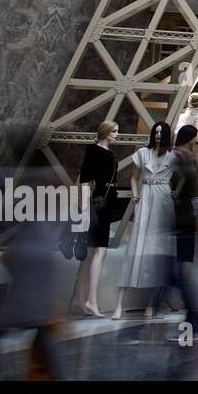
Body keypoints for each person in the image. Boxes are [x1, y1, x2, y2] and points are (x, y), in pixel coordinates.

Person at [113, 121, 176, 320]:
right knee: (136, 246)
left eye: (161, 132)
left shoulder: (173, 157)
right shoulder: (142, 153)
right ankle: (119, 305)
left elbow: (184, 178)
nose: (158, 135)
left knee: (157, 249)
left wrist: (175, 194)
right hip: (146, 195)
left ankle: (151, 303)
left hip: (163, 199)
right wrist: (134, 195)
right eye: (155, 132)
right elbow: (134, 177)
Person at [74, 121, 120, 317]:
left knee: (96, 252)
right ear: (106, 133)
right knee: (99, 251)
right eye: (115, 131)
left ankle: (82, 298)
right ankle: (91, 300)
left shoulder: (108, 153)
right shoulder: (94, 151)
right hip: (99, 201)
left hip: (108, 201)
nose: (117, 135)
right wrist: (84, 210)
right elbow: (85, 180)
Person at [166, 124, 198, 340]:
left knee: (181, 269)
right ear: (189, 138)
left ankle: (193, 323)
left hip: (180, 219)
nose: (195, 142)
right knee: (183, 266)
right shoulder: (184, 157)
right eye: (194, 138)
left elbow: (191, 187)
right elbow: (195, 188)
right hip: (184, 218)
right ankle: (193, 322)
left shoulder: (178, 156)